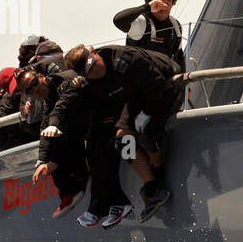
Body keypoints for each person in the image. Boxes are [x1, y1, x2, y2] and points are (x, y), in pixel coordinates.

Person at [49, 44, 183, 224]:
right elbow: (70, 100)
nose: (95, 71)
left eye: (94, 64)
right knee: (122, 141)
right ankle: (152, 188)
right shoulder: (90, 78)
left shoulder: (126, 59)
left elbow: (158, 85)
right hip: (136, 97)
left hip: (165, 87)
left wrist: (148, 113)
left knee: (148, 132)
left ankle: (158, 174)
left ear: (95, 52)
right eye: (88, 71)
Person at [17, 58, 89, 219]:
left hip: (101, 117)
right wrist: (42, 161)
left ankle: (79, 185)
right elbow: (45, 127)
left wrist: (54, 162)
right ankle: (69, 192)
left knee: (63, 135)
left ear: (41, 76)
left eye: (34, 83)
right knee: (51, 142)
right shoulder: (47, 98)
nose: (34, 90)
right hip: (84, 124)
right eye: (29, 91)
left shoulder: (63, 81)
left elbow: (64, 113)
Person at [113, 0, 185, 69]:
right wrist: (146, 7)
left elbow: (180, 57)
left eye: (168, 3)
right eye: (159, 3)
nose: (164, 7)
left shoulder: (176, 26)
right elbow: (118, 21)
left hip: (162, 78)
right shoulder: (142, 23)